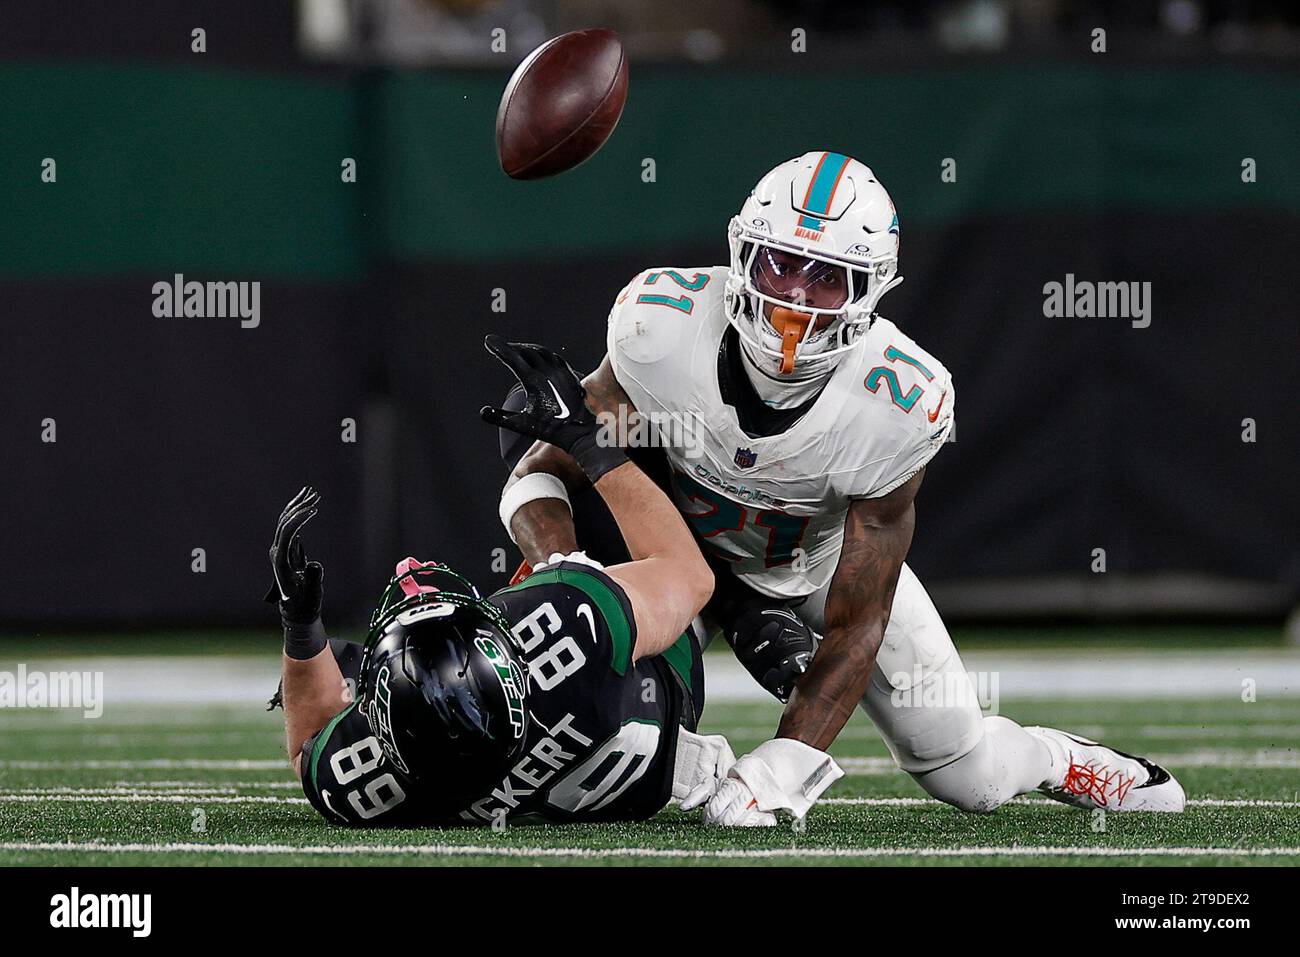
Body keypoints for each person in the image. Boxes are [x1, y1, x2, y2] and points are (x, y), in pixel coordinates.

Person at [498, 152, 1185, 824]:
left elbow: (859, 622)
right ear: (744, 255)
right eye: (783, 264)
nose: (796, 296)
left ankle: (1049, 757)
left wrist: (781, 766)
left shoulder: (897, 402)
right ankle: (688, 762)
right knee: (579, 705)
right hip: (679, 558)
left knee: (966, 774)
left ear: (871, 289)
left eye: (828, 276)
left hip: (816, 569)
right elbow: (541, 470)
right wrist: (568, 574)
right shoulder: (660, 329)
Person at [269, 337, 735, 826]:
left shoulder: (373, 788)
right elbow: (689, 575)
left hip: (628, 774)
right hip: (662, 676)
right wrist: (585, 440)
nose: (409, 570)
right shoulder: (562, 624)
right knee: (546, 434)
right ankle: (760, 612)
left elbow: (308, 746)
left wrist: (301, 627)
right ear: (509, 653)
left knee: (342, 661)